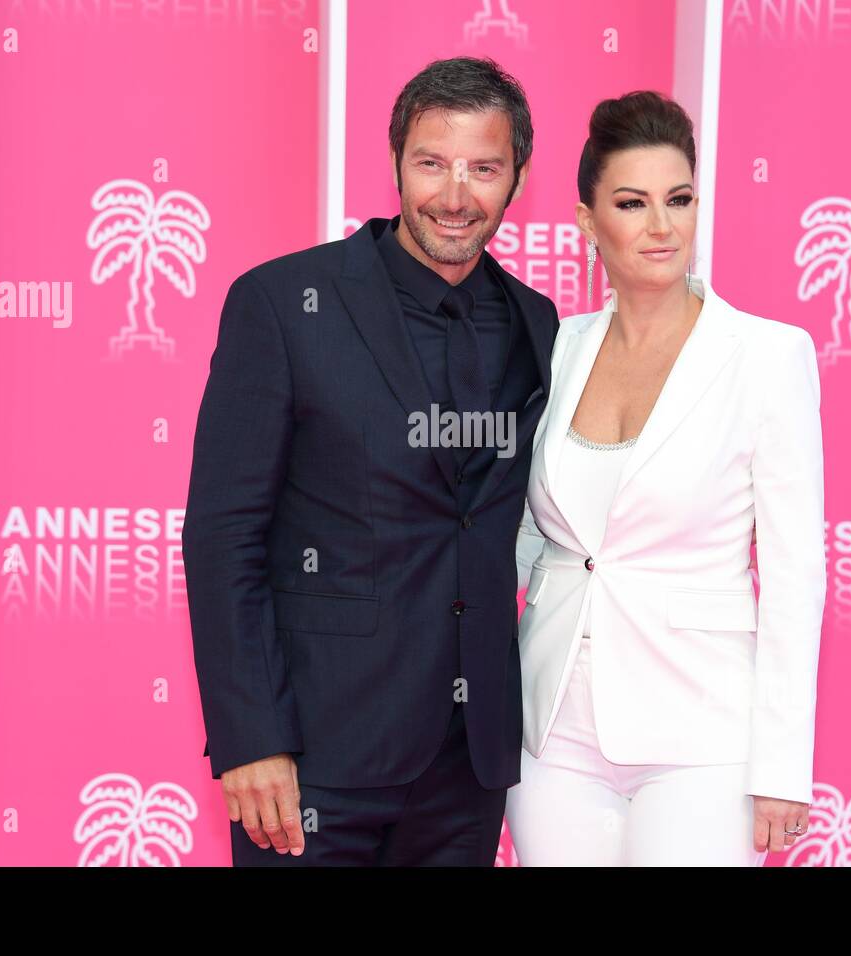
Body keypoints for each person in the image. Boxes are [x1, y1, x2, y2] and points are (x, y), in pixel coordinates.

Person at [181, 57, 558, 866]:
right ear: (394, 164)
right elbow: (223, 535)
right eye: (431, 162)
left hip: (468, 769)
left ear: (518, 179)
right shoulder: (284, 305)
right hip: (314, 759)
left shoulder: (538, 325)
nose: (455, 196)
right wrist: (250, 738)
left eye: (483, 168)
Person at [507, 91, 826, 866]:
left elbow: (793, 576)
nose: (662, 225)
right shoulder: (556, 347)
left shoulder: (766, 356)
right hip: (551, 733)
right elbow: (521, 537)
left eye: (679, 199)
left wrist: (783, 767)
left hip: (704, 736)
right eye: (633, 202)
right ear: (588, 223)